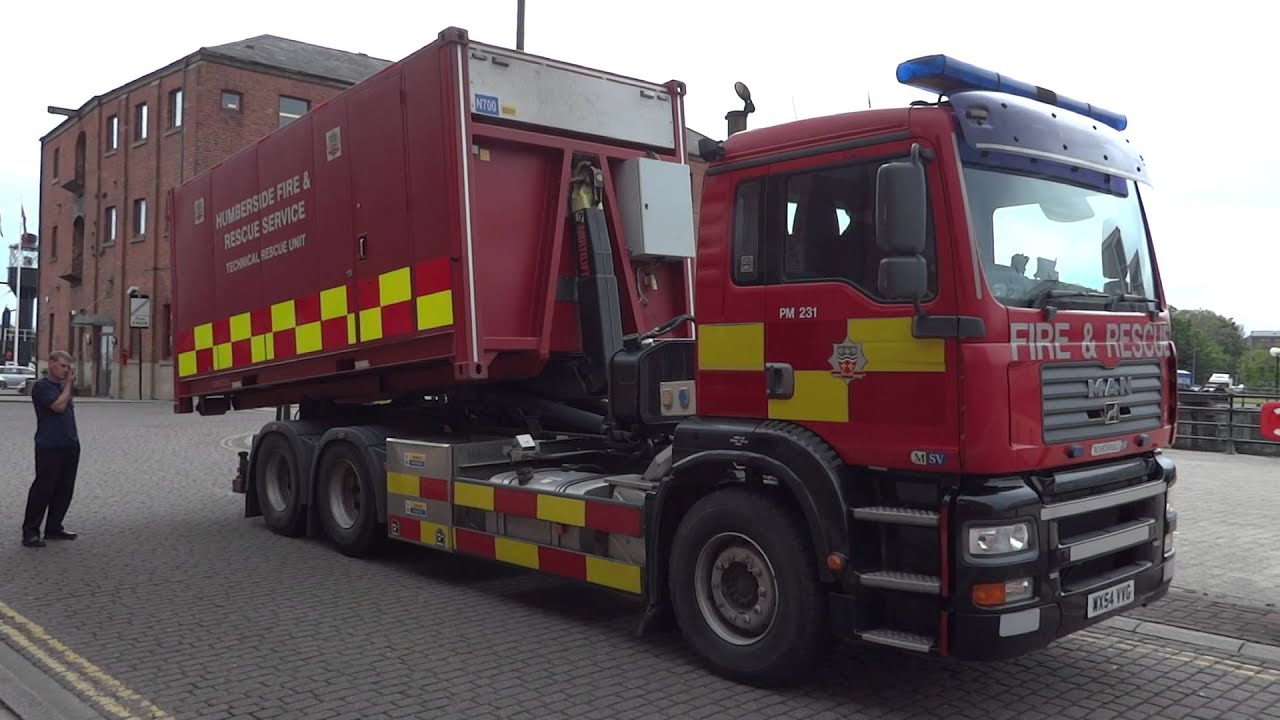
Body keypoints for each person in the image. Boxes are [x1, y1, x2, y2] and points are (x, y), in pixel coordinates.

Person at [22, 351, 81, 548]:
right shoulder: (42, 387)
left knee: (65, 488)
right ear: (52, 364)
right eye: (63, 366)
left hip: (69, 444)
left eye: (68, 367)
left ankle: (54, 527)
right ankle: (30, 532)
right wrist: (69, 387)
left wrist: (66, 387)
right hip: (49, 445)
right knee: (43, 489)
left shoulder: (63, 387)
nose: (66, 370)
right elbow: (57, 407)